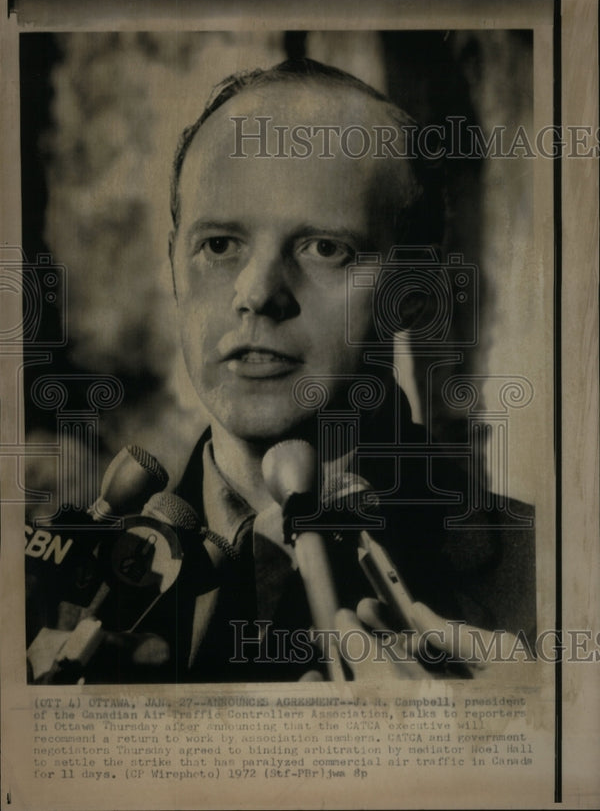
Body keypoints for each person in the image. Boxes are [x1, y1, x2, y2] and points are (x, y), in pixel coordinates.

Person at [27, 59, 536, 683]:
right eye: (219, 245)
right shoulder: (40, 588)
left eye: (324, 247)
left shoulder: (553, 582)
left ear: (414, 293)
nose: (257, 292)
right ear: (173, 267)